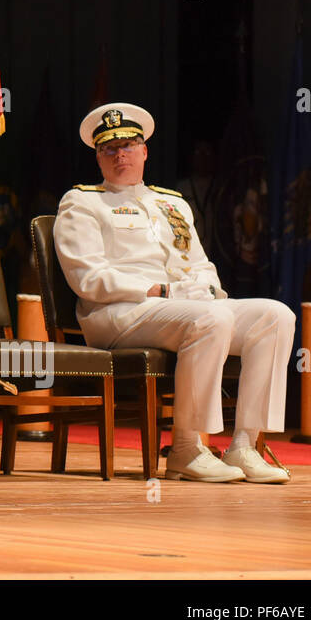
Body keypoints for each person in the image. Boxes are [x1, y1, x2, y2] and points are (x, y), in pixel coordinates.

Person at [54, 103, 293, 483]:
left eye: (128, 146)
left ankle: (245, 445)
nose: (120, 155)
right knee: (209, 318)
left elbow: (200, 263)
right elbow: (88, 279)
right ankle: (185, 448)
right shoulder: (82, 202)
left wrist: (209, 289)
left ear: (144, 151)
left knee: (275, 315)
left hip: (179, 308)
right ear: (97, 156)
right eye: (108, 149)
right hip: (117, 313)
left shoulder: (172, 203)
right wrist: (160, 290)